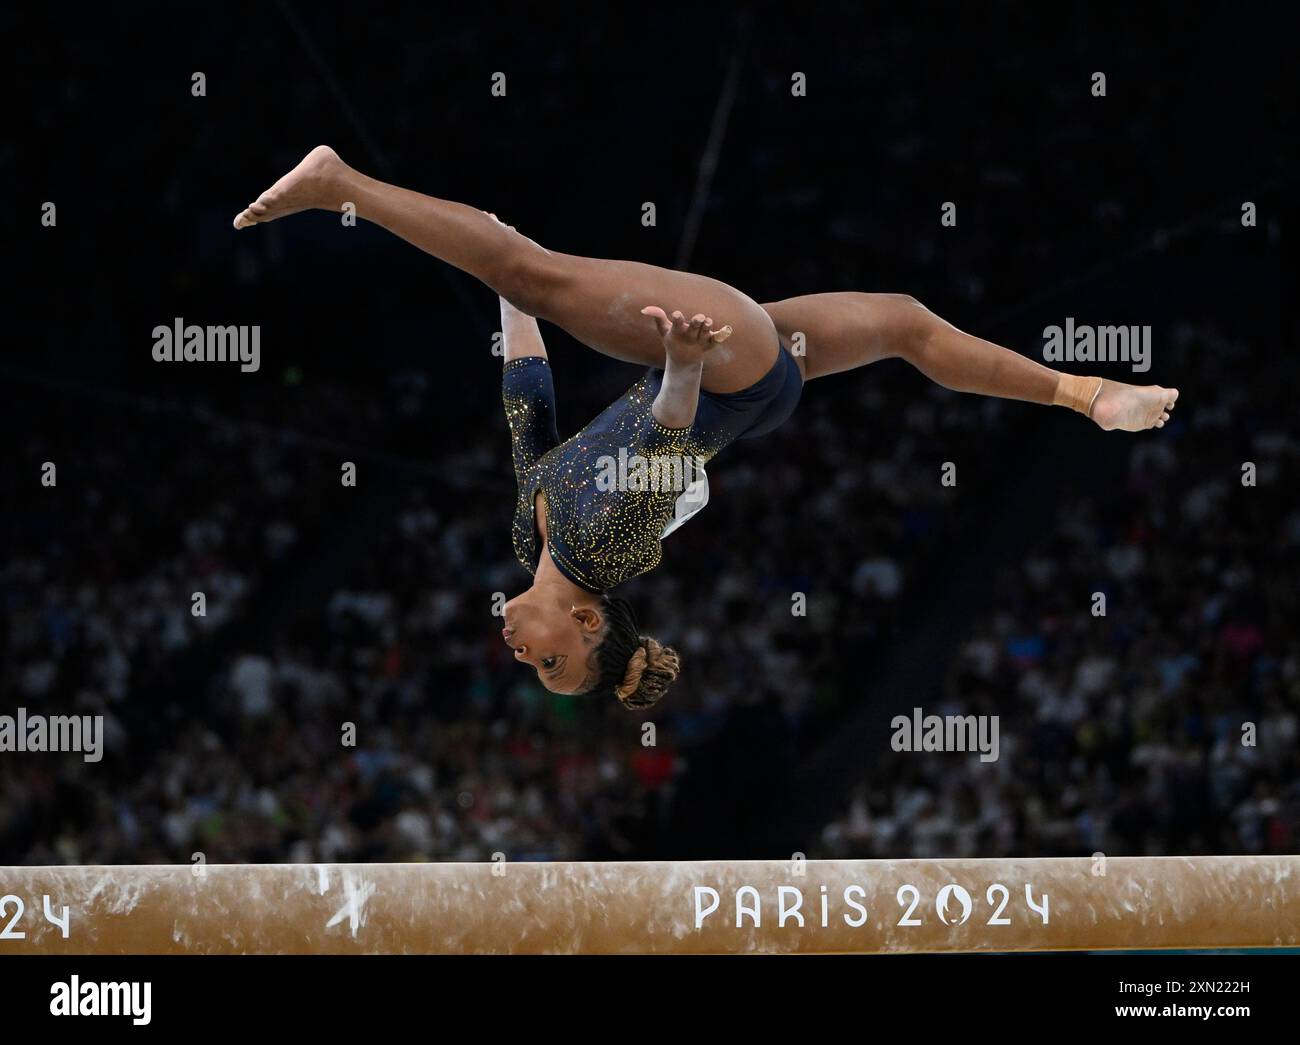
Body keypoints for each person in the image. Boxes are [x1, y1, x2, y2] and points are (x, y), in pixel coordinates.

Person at [234, 146, 1178, 709]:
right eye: (556, 660)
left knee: (903, 323)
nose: (527, 657)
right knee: (536, 271)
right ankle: (338, 181)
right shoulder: (608, 552)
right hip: (723, 373)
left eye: (539, 672)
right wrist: (677, 359)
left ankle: (1081, 393)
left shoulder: (533, 533)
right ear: (589, 620)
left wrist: (506, 294)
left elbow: (529, 413)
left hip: (750, 392)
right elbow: (665, 444)